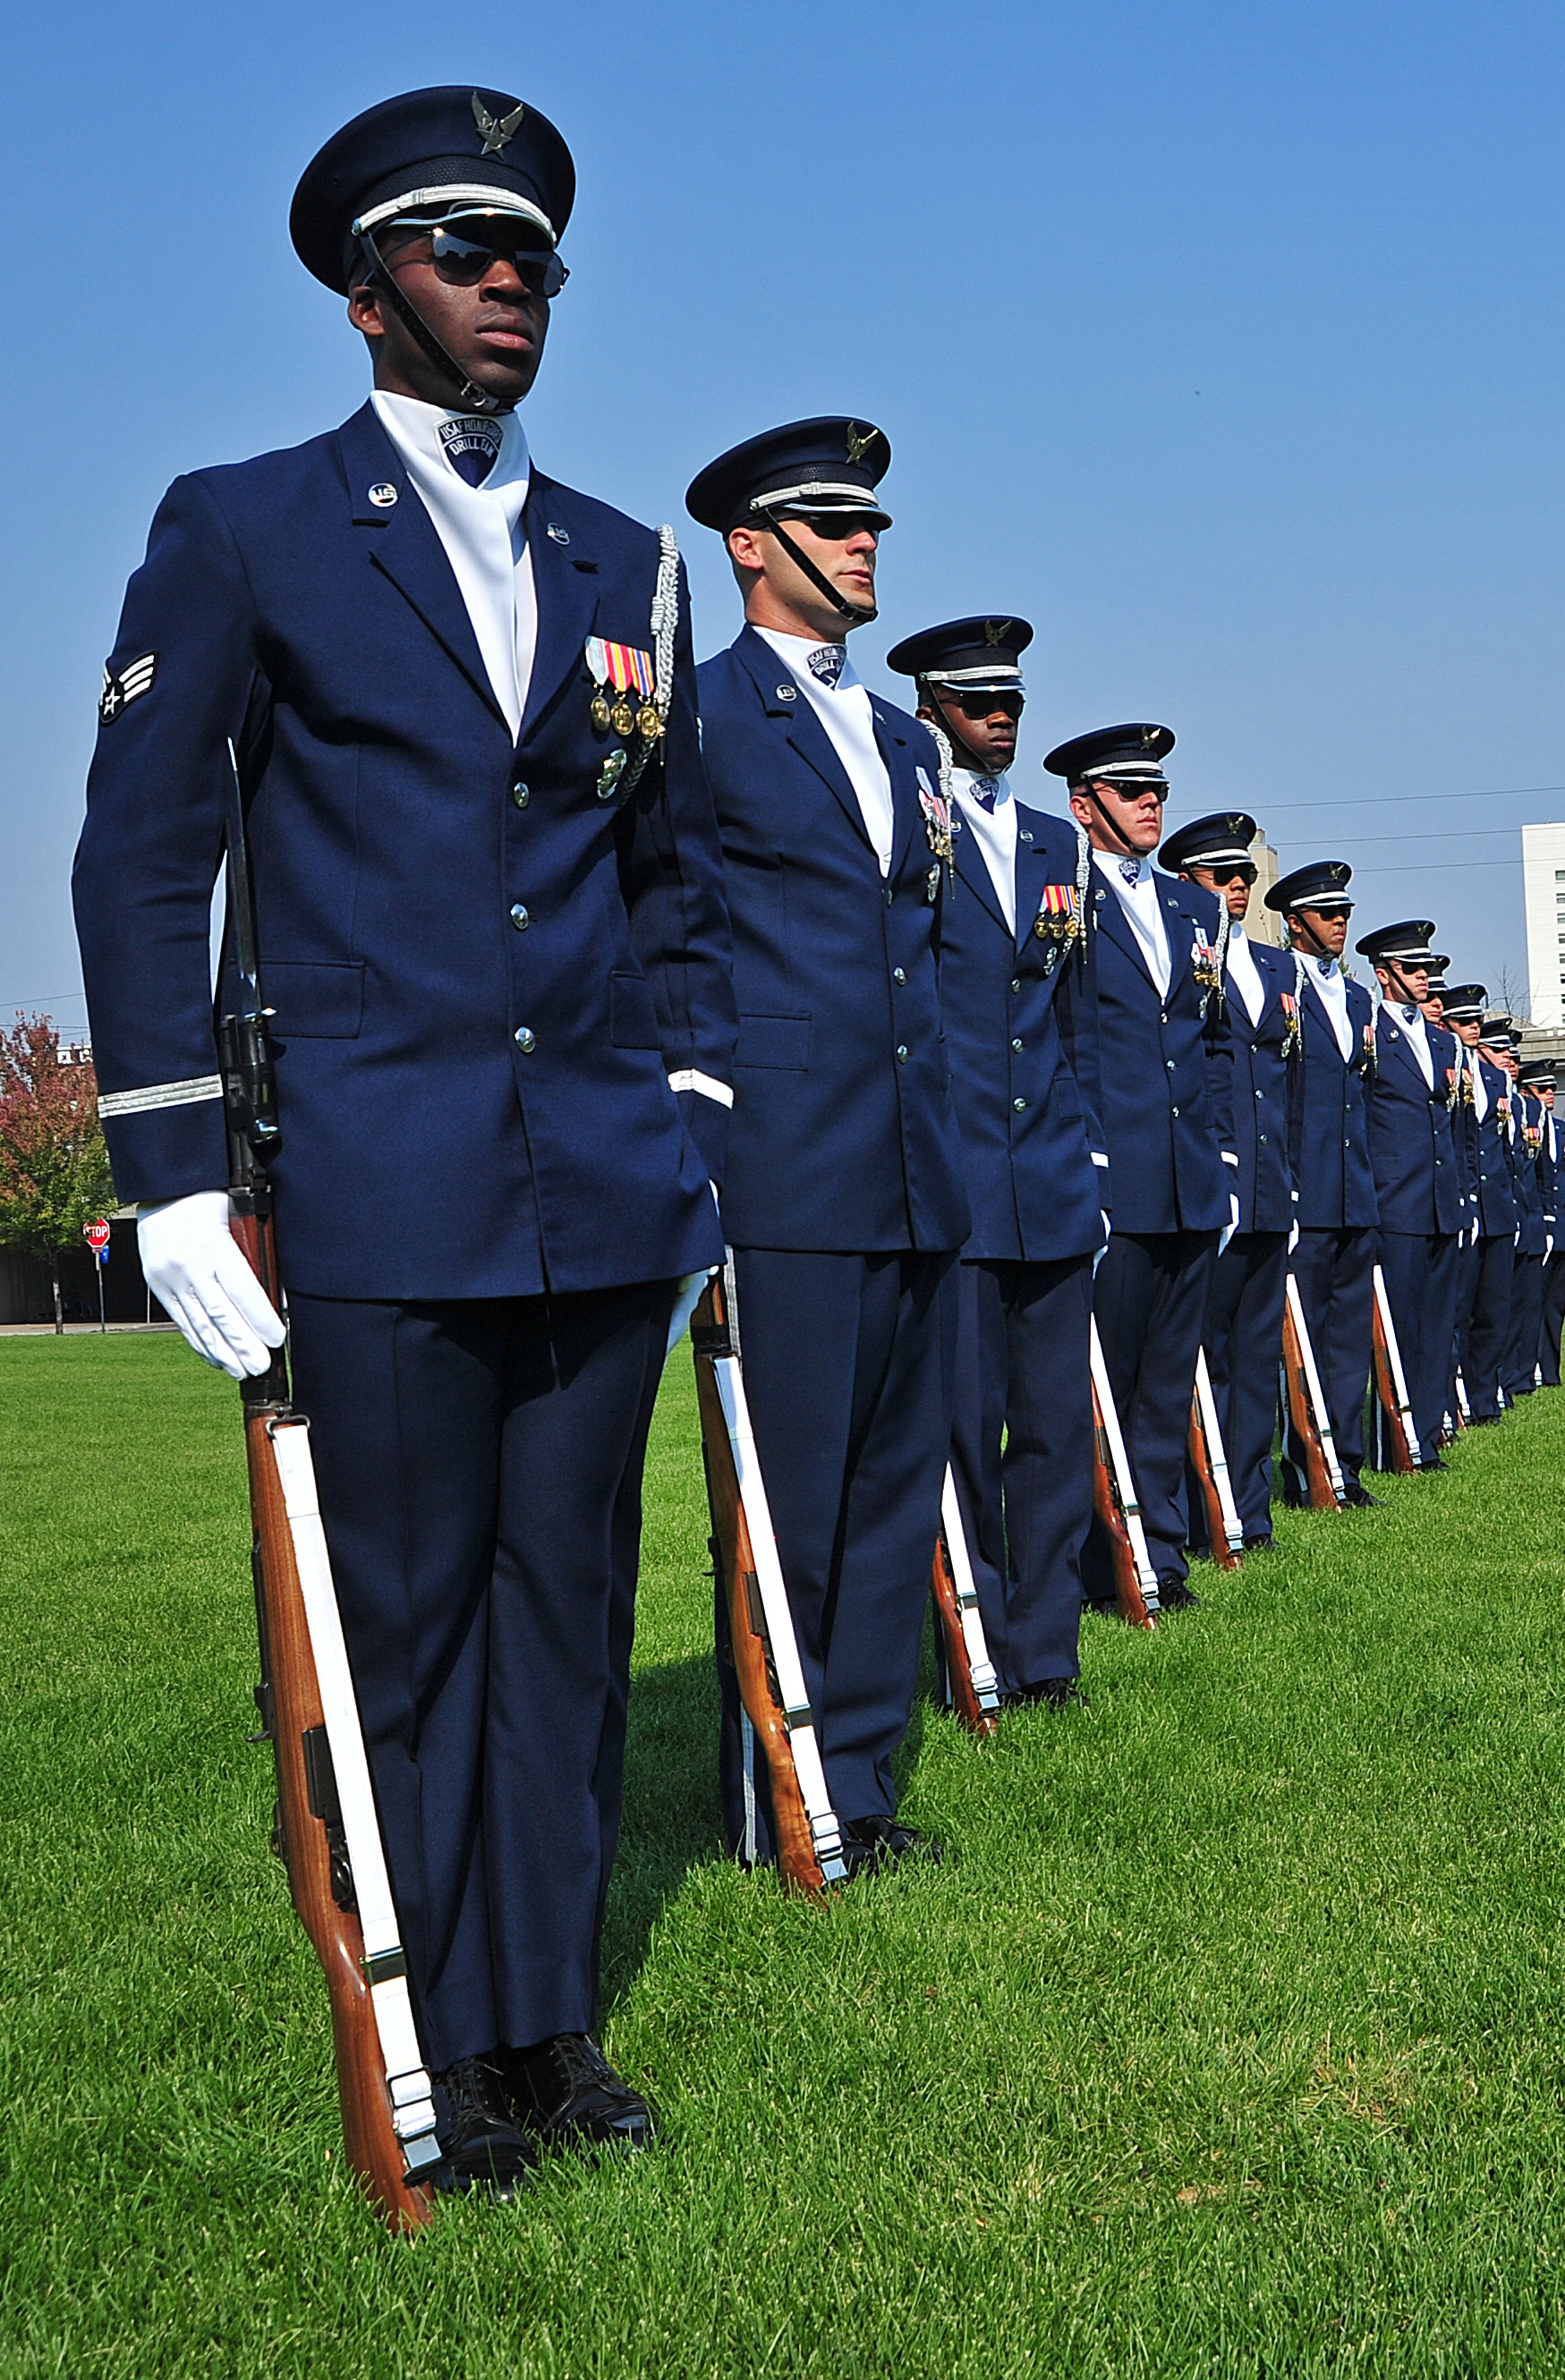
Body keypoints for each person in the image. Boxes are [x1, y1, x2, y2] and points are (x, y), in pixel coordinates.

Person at [72, 87, 738, 2192]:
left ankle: (541, 2028)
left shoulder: (626, 560)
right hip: (375, 1182)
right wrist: (172, 1166)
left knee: (562, 1610)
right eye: (465, 254)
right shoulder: (247, 524)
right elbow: (141, 848)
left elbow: (673, 878)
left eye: (533, 253)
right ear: (368, 294)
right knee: (402, 1626)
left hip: (603, 1190)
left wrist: (695, 1113)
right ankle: (417, 2034)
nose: (511, 283)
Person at [685, 419, 970, 1868]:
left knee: (882, 1499)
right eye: (831, 523)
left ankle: (855, 1787)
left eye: (871, 526)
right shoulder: (705, 715)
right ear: (752, 544)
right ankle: (768, 1807)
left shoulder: (905, 736)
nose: (866, 546)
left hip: (911, 1166)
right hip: (782, 1169)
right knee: (788, 1500)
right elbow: (665, 940)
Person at [884, 616, 1105, 1707]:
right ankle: (969, 1651)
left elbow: (1078, 1020)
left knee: (1056, 1430)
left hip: (1054, 1180)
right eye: (979, 704)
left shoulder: (1058, 848)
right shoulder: (909, 820)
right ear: (933, 709)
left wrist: (1093, 1155)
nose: (1000, 719)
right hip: (959, 1175)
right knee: (964, 1429)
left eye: (1011, 702)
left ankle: (1044, 1651)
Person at [1043, 725, 1235, 1611]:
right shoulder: (1059, 894)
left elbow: (1217, 1040)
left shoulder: (1199, 913)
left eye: (1155, 789)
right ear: (1084, 806)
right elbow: (1043, 1031)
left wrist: (1225, 1154)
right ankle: (1091, 1564)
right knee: (1100, 1385)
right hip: (1108, 1178)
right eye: (1129, 791)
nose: (1150, 802)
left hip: (1189, 1179)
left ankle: (1158, 1555)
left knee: (1164, 1383)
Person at [1159, 811, 1297, 1550]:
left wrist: (1289, 1183)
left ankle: (1251, 1509)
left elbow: (1285, 1086)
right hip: (1210, 1182)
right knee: (1197, 1359)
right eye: (1224, 876)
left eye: (1245, 875)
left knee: (1255, 1362)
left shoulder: (1275, 968)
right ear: (1188, 882)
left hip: (1271, 1190)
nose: (1240, 887)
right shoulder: (1179, 954)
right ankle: (1193, 1510)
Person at [1263, 862, 1381, 1506]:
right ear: (1295, 922)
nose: (1340, 922)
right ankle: (1301, 1462)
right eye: (1327, 913)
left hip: (1354, 1192)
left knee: (1346, 1340)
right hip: (1304, 1191)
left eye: (1345, 913)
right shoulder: (1280, 983)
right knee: (1299, 1337)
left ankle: (1347, 1467)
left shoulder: (1360, 998)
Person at [1353, 920, 1466, 1466]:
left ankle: (1425, 1435)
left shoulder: (1443, 1040)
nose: (1425, 976)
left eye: (1428, 968)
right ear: (1384, 975)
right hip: (1396, 1200)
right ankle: (1388, 1443)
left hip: (1443, 1199)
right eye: (1413, 968)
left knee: (1438, 1325)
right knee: (1397, 1329)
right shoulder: (1371, 1029)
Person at [1438, 985, 1516, 1425]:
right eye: (1465, 1022)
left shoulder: (1495, 1079)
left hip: (1497, 1211)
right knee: (1456, 1311)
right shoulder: (1444, 1065)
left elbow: (1502, 1147)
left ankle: (1486, 1399)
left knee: (1492, 1311)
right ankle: (1452, 1401)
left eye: (1476, 1023)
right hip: (1462, 1207)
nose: (1473, 1029)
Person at [1493, 1032, 1547, 1398]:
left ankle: (1519, 1378)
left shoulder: (1527, 1109)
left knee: (1525, 1309)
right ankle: (1497, 1383)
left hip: (1524, 1221)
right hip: (1495, 1215)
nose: (1510, 1061)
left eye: (1513, 1056)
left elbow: (1534, 1173)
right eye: (1502, 1053)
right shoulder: (1488, 1095)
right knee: (1496, 1311)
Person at [1521, 1061, 1565, 1386]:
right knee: (1532, 1305)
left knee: (1556, 1307)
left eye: (1552, 1088)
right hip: (1539, 1229)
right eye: (1543, 1089)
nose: (1550, 1094)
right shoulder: (1525, 1127)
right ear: (1527, 1091)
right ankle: (1528, 1370)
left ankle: (1551, 1371)